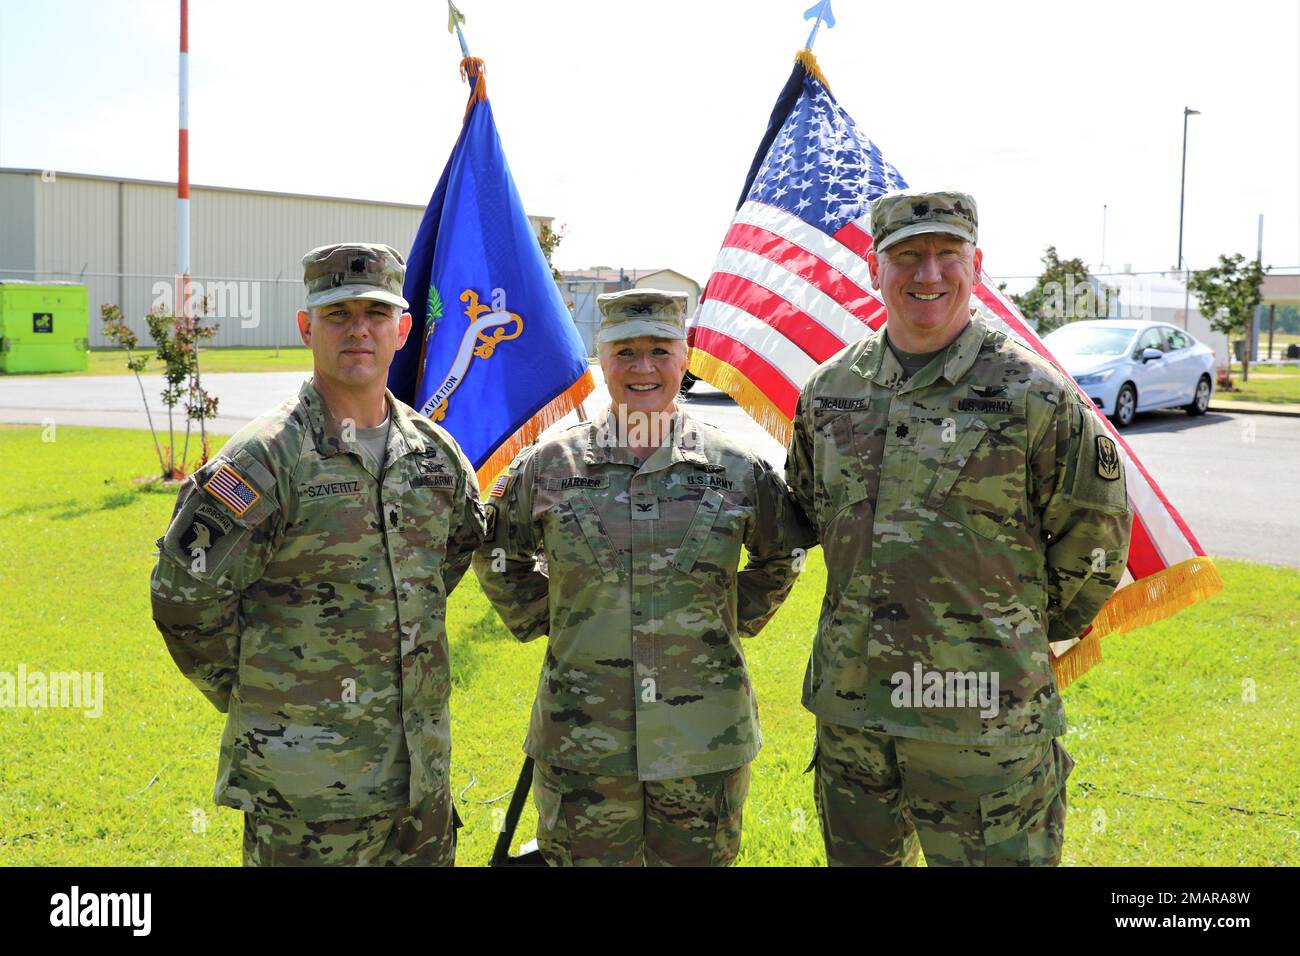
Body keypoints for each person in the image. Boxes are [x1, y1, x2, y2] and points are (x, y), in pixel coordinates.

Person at [785, 190, 1133, 866]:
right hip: (855, 718)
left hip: (985, 728)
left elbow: (1096, 541)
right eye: (907, 256)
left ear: (978, 266)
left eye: (948, 255)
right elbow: (809, 507)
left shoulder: (1034, 394)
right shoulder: (831, 392)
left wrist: (1007, 639)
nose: (929, 274)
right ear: (874, 268)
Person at [150, 242, 486, 866]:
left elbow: (449, 561)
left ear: (402, 329)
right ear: (307, 327)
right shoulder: (264, 459)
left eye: (376, 313)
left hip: (421, 786)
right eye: (337, 314)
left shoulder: (436, 456)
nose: (358, 329)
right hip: (306, 794)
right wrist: (262, 689)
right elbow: (184, 597)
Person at [475, 288, 813, 866]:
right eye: (624, 351)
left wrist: (725, 620)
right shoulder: (551, 466)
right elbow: (498, 554)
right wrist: (554, 618)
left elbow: (786, 555)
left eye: (659, 349)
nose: (643, 367)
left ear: (685, 359)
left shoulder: (736, 468)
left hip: (703, 738)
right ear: (600, 359)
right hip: (585, 738)